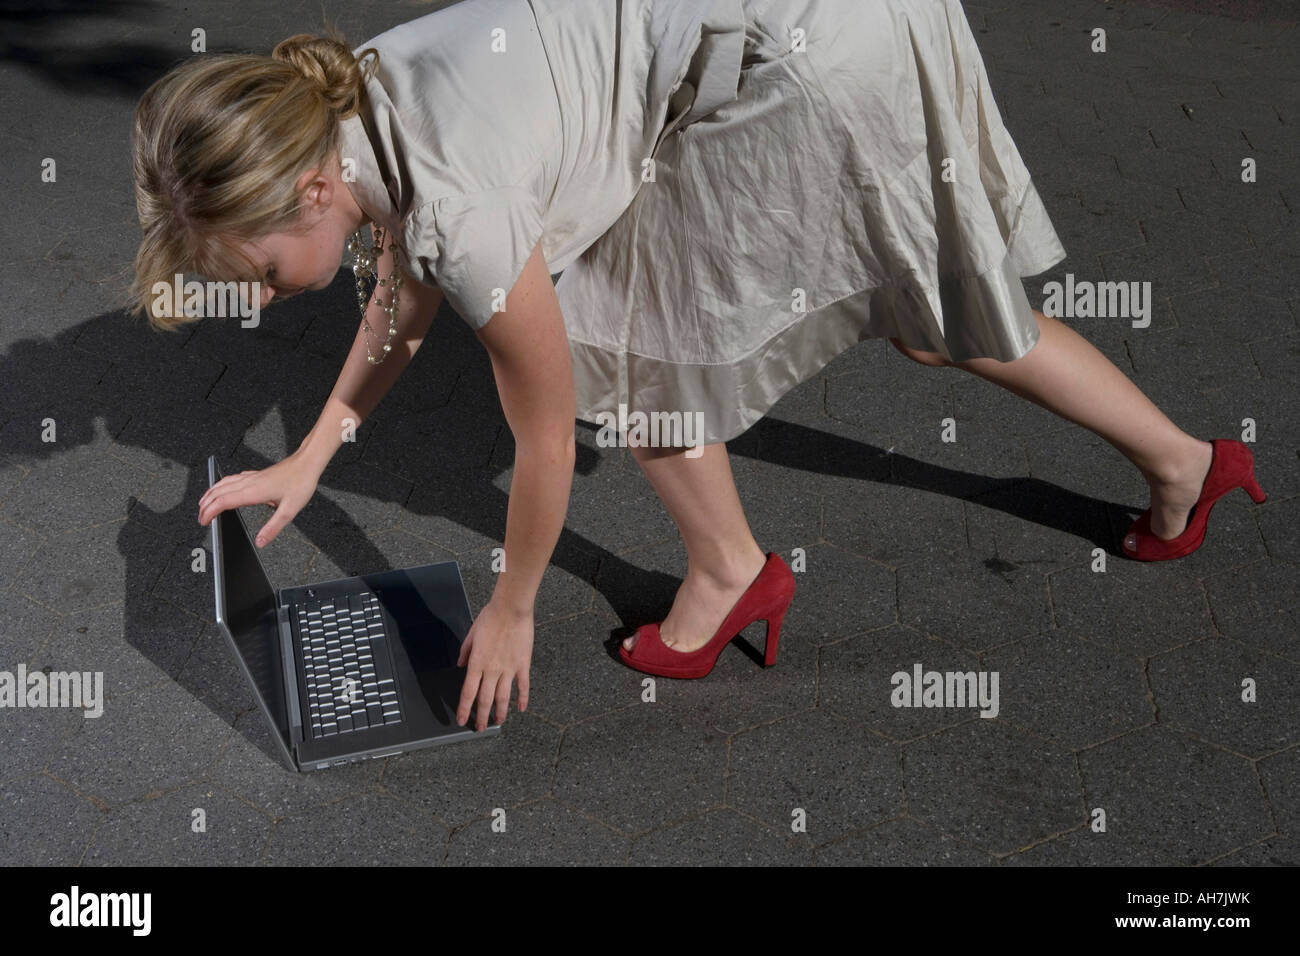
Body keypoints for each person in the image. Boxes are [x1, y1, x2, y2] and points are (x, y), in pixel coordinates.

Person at [128, 0, 1266, 732]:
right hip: (816, 25)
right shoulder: (344, 96)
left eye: (264, 269)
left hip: (805, 56)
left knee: (628, 345)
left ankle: (730, 574)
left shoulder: (460, 204)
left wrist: (514, 606)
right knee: (922, 319)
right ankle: (1184, 463)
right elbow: (402, 285)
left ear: (314, 191)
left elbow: (538, 424)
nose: (266, 296)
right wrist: (314, 455)